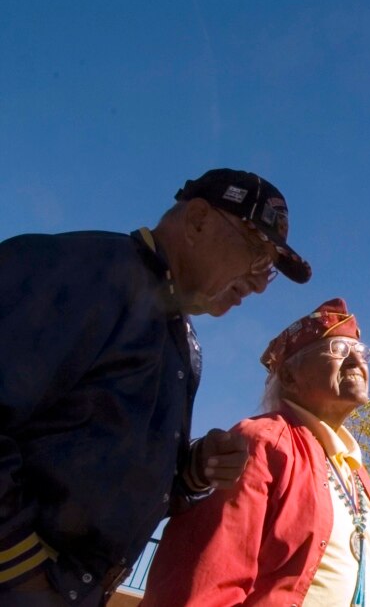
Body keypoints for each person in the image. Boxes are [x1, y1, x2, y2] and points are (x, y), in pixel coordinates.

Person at [0, 168, 309, 606]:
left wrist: (193, 471)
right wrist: (27, 579)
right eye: (258, 253)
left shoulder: (181, 342)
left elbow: (104, 476)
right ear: (198, 220)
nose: (260, 283)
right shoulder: (83, 271)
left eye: (270, 271)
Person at [143, 298, 370, 606]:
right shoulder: (261, 442)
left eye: (362, 352)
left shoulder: (357, 473)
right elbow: (207, 580)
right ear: (288, 377)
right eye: (338, 349)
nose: (356, 360)